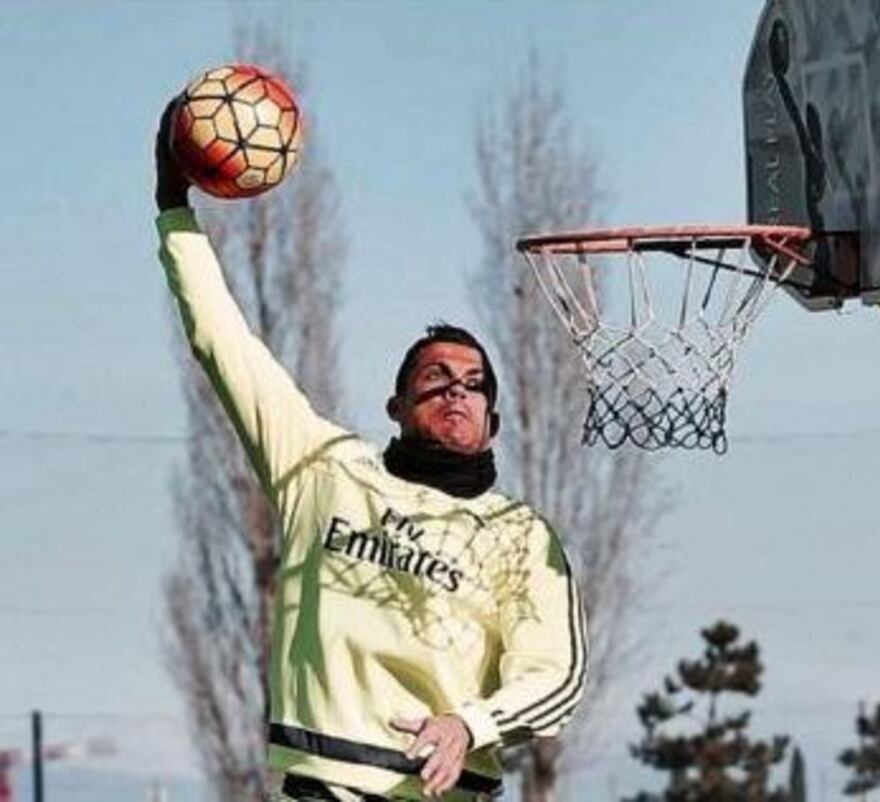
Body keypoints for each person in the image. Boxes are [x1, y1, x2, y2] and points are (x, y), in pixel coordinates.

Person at [154, 101, 587, 801]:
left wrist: (469, 725)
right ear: (396, 407)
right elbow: (224, 344)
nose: (456, 392)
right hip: (325, 783)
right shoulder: (322, 469)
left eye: (475, 386)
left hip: (448, 788)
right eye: (435, 379)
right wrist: (173, 206)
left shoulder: (521, 536)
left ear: (494, 420)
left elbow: (555, 677)